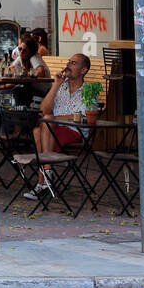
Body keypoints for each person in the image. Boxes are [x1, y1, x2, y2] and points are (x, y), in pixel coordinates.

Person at [23, 52, 92, 200]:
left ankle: (43, 182)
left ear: (83, 70)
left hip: (75, 132)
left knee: (44, 124)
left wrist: (53, 119)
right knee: (38, 130)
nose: (68, 65)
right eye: (69, 61)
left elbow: (80, 117)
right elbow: (44, 109)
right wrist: (56, 85)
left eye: (73, 63)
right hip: (52, 129)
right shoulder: (61, 87)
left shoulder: (88, 91)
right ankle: (45, 178)